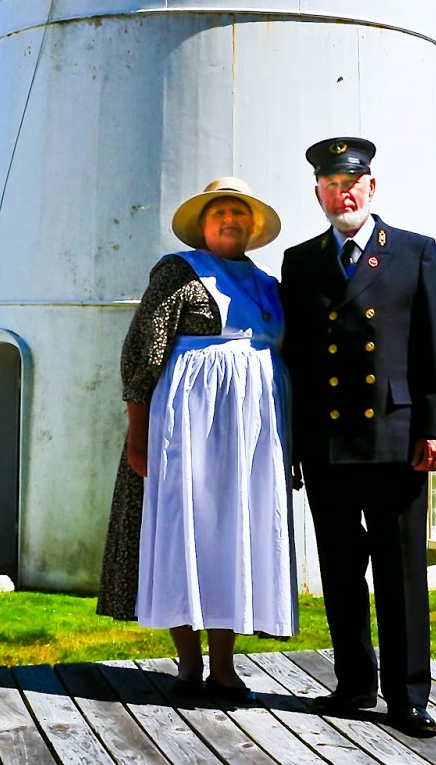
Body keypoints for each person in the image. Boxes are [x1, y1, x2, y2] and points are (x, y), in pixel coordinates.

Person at [97, 177, 296, 706]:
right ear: (203, 224)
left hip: (250, 434)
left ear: (252, 226)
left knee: (232, 538)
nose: (230, 219)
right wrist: (138, 435)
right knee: (183, 532)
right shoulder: (178, 272)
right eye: (219, 212)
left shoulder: (268, 285)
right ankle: (189, 664)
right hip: (188, 426)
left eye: (239, 212)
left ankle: (225, 667)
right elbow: (143, 353)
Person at [280, 137, 436, 739]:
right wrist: (296, 445)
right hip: (327, 442)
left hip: (396, 439)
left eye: (351, 183)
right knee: (341, 568)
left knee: (401, 573)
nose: (341, 193)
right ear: (319, 192)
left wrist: (435, 430)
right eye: (330, 186)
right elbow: (299, 358)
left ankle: (409, 697)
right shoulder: (299, 262)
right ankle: (355, 683)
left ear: (371, 186)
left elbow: (434, 349)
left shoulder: (413, 252)